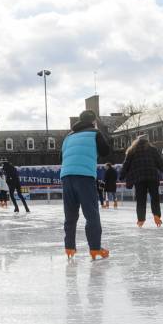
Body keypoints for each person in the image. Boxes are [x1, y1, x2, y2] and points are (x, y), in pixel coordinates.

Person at [60, 110, 111, 261]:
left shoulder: (68, 136)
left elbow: (61, 156)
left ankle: (69, 247)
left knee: (70, 214)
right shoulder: (95, 133)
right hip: (84, 177)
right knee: (91, 214)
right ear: (94, 121)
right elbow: (105, 151)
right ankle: (95, 248)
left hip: (66, 176)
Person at [120, 135, 163, 227]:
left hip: (139, 178)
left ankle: (141, 219)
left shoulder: (132, 150)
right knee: (155, 197)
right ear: (147, 141)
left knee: (141, 199)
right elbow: (160, 162)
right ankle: (156, 215)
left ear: (137, 141)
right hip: (152, 176)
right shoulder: (152, 149)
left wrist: (122, 176)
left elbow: (126, 164)